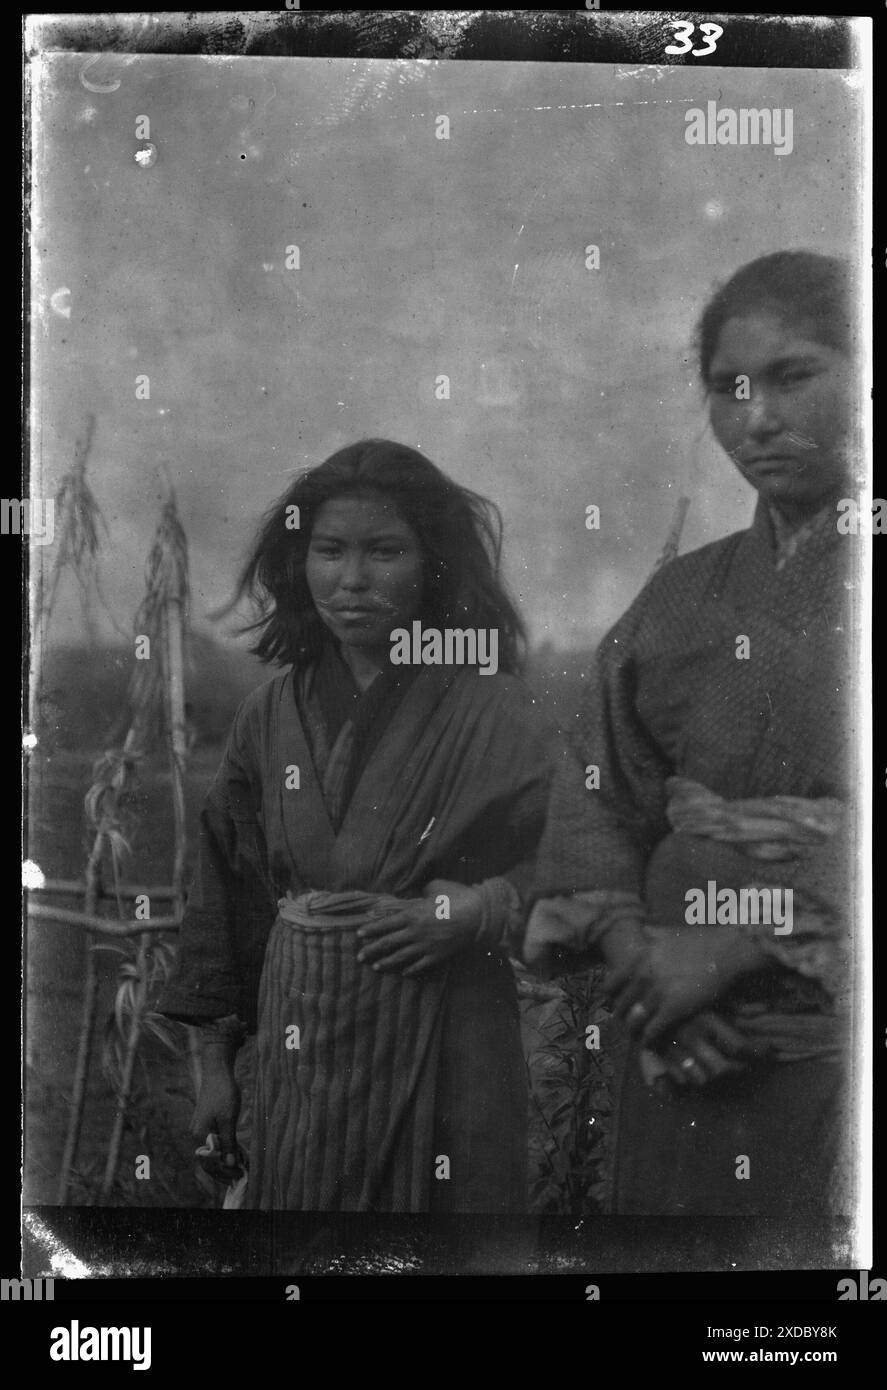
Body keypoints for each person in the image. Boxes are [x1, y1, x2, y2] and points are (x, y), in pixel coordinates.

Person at [523, 251, 862, 1216]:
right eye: (728, 389)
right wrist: (645, 972)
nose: (756, 419)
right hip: (678, 1051)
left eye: (794, 376)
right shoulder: (680, 599)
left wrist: (737, 947)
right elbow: (595, 798)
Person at [159, 439, 554, 1212]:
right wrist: (213, 1068)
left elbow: (582, 855)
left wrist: (476, 911)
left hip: (448, 1040)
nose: (351, 579)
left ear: (432, 561)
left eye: (385, 551)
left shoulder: (495, 710)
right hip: (300, 1041)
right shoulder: (270, 716)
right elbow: (225, 896)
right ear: (298, 563)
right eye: (329, 551)